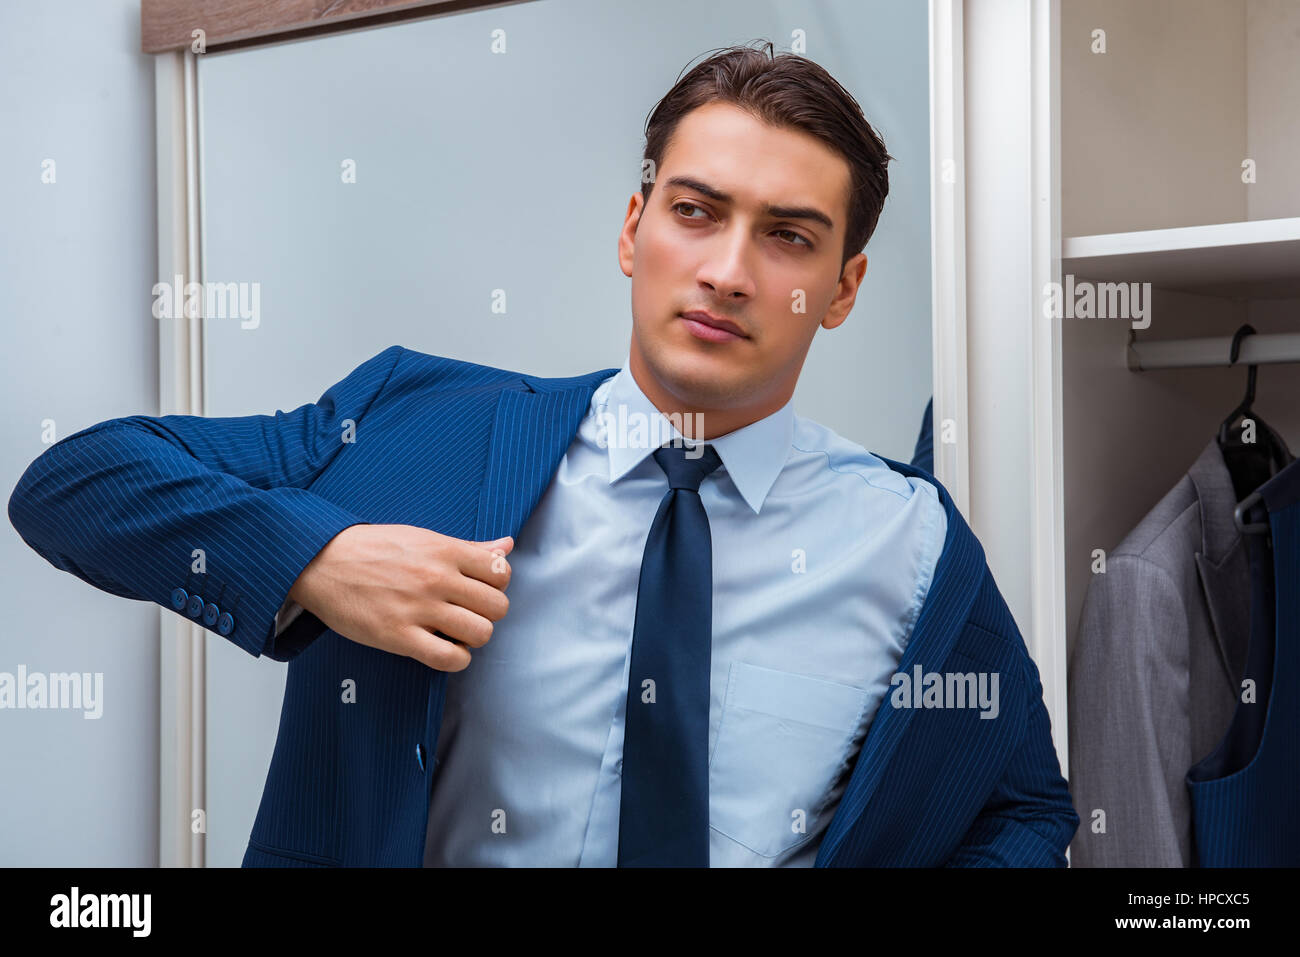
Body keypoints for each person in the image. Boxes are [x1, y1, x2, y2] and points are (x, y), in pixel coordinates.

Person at [8, 41, 1077, 867]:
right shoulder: (420, 422)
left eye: (788, 236)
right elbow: (76, 481)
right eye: (695, 213)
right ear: (632, 228)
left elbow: (1024, 808)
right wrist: (313, 562)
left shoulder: (910, 537)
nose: (727, 270)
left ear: (841, 288)